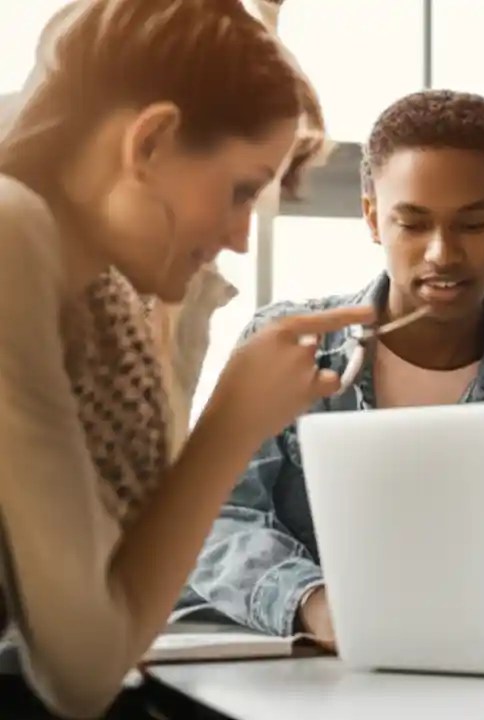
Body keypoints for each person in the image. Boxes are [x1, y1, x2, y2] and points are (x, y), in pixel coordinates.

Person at [0, 0, 373, 717]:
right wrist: (232, 427)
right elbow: (83, 673)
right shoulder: (14, 236)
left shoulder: (90, 299)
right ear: (151, 141)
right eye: (240, 191)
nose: (239, 237)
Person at [177, 90, 484, 647]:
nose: (442, 253)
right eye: (412, 224)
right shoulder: (290, 344)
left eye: (473, 225)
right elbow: (213, 517)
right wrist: (317, 605)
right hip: (286, 676)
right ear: (371, 218)